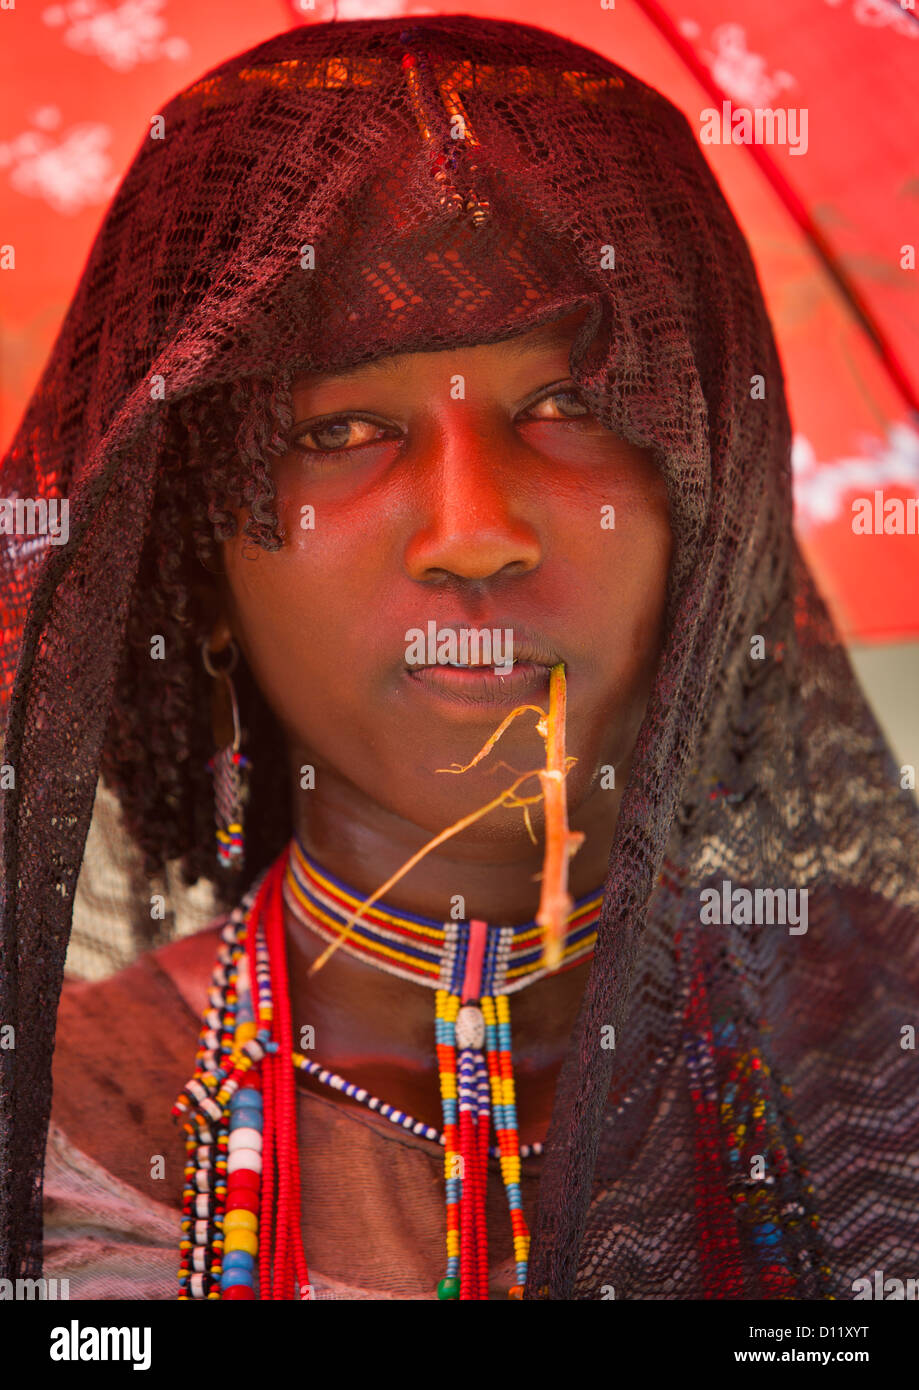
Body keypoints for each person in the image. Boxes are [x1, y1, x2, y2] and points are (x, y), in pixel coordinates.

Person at [1, 14, 917, 1301]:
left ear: (709, 515)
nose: (474, 534)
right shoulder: (49, 1127)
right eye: (345, 428)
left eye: (570, 407)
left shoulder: (885, 1051)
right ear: (197, 565)